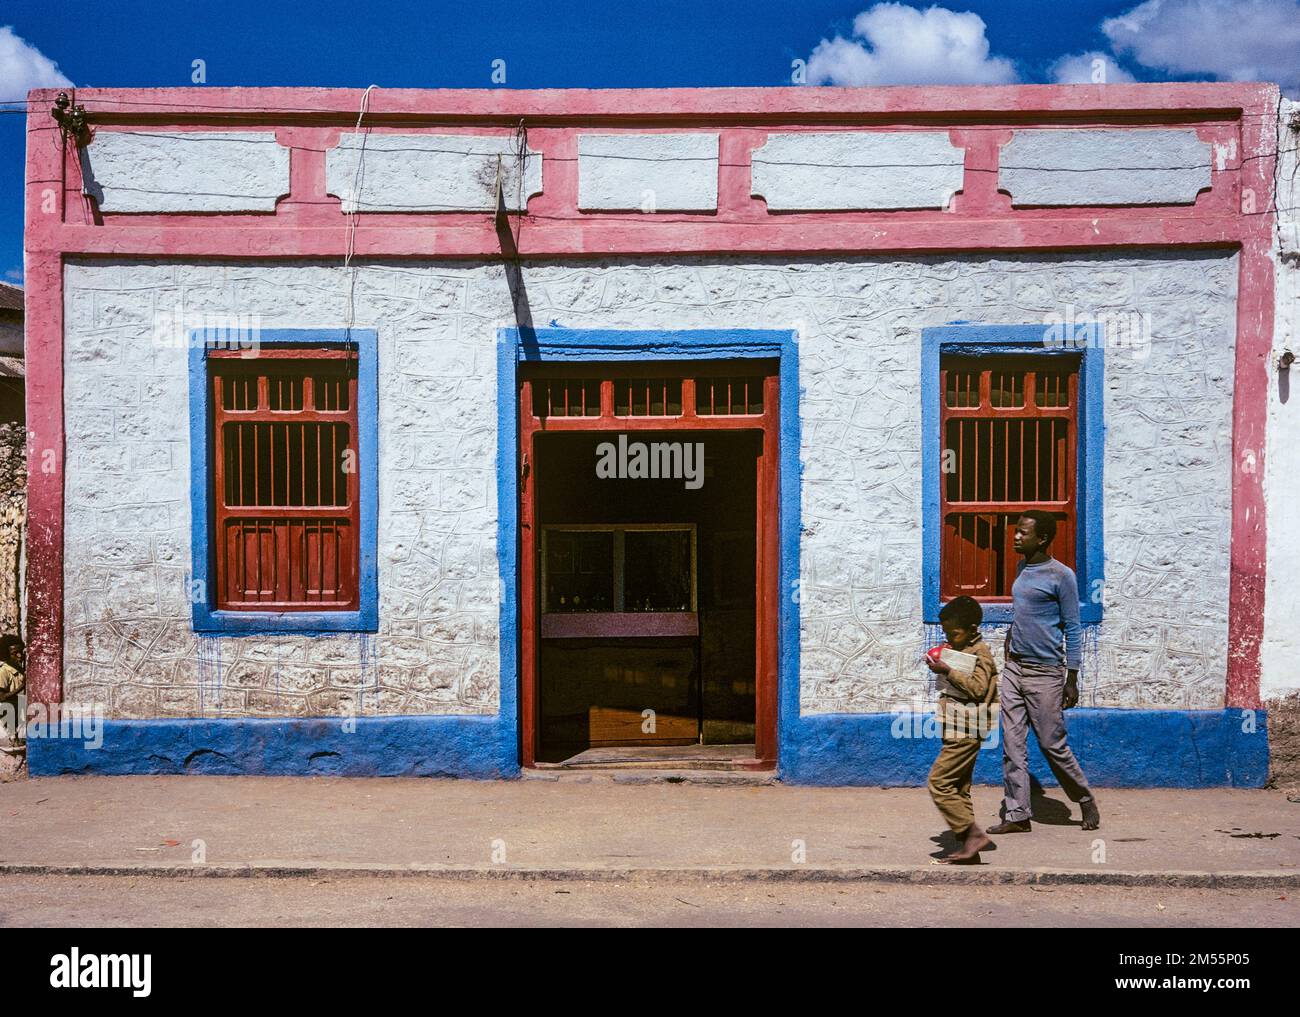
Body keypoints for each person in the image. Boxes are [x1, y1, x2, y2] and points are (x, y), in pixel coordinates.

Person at [988, 511, 1100, 834]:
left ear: (1043, 539)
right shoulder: (1023, 567)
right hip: (1015, 669)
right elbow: (1027, 612)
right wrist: (1013, 636)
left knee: (1052, 744)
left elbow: (1073, 628)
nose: (1016, 536)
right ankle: (1018, 814)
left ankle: (1083, 797)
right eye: (1016, 531)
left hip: (1046, 674)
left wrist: (1072, 677)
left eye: (1023, 532)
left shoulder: (1061, 576)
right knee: (1011, 745)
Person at [925, 595, 999, 864]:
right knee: (958, 786)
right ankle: (969, 848)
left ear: (972, 630)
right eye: (946, 633)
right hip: (957, 723)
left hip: (968, 726)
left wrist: (948, 670)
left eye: (954, 634)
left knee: (939, 783)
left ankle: (973, 835)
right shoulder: (961, 650)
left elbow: (979, 689)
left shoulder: (981, 654)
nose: (950, 638)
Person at [0, 634, 25, 778]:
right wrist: (22, 686)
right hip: (8, 714)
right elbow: (1, 697)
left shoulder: (19, 669)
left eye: (20, 652)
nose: (19, 656)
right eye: (14, 653)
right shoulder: (3, 671)